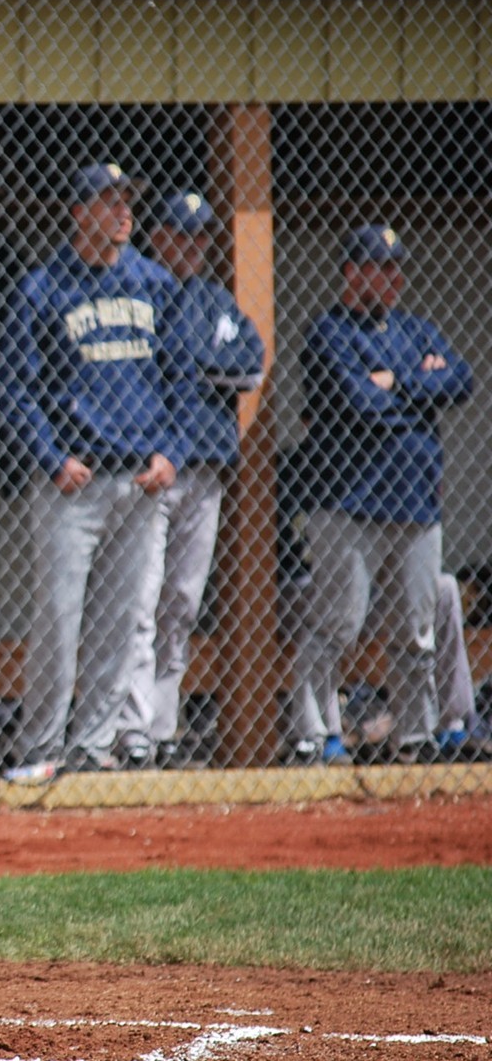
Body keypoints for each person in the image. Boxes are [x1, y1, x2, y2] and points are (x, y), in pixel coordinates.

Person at [0, 162, 187, 778]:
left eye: (127, 199)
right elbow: (12, 388)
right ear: (79, 212)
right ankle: (42, 745)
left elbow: (185, 379)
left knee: (124, 620)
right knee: (60, 615)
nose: (124, 211)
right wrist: (51, 459)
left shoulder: (155, 283)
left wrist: (171, 452)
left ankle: (94, 745)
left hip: (139, 481)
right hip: (73, 484)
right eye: (109, 201)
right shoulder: (43, 288)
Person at [286, 223, 473, 766]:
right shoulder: (329, 332)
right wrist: (417, 387)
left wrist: (398, 382)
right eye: (381, 268)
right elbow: (357, 403)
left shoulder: (416, 329)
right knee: (336, 623)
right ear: (352, 272)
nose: (394, 278)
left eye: (397, 268)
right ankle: (316, 734)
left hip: (415, 504)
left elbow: (461, 381)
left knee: (417, 630)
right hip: (348, 503)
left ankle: (416, 736)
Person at [115, 192, 265, 769]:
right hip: (153, 468)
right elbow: (146, 367)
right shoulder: (144, 290)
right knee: (141, 600)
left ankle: (162, 725)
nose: (193, 246)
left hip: (204, 468)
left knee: (182, 600)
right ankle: (132, 732)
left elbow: (250, 365)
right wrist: (202, 362)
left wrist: (187, 361)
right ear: (158, 237)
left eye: (201, 236)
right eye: (181, 235)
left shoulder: (212, 297)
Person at [278, 416, 487, 763]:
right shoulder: (293, 469)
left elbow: (457, 379)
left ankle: (451, 723)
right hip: (306, 589)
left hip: (375, 593)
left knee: (446, 588)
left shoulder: (390, 472)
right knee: (329, 601)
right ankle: (323, 735)